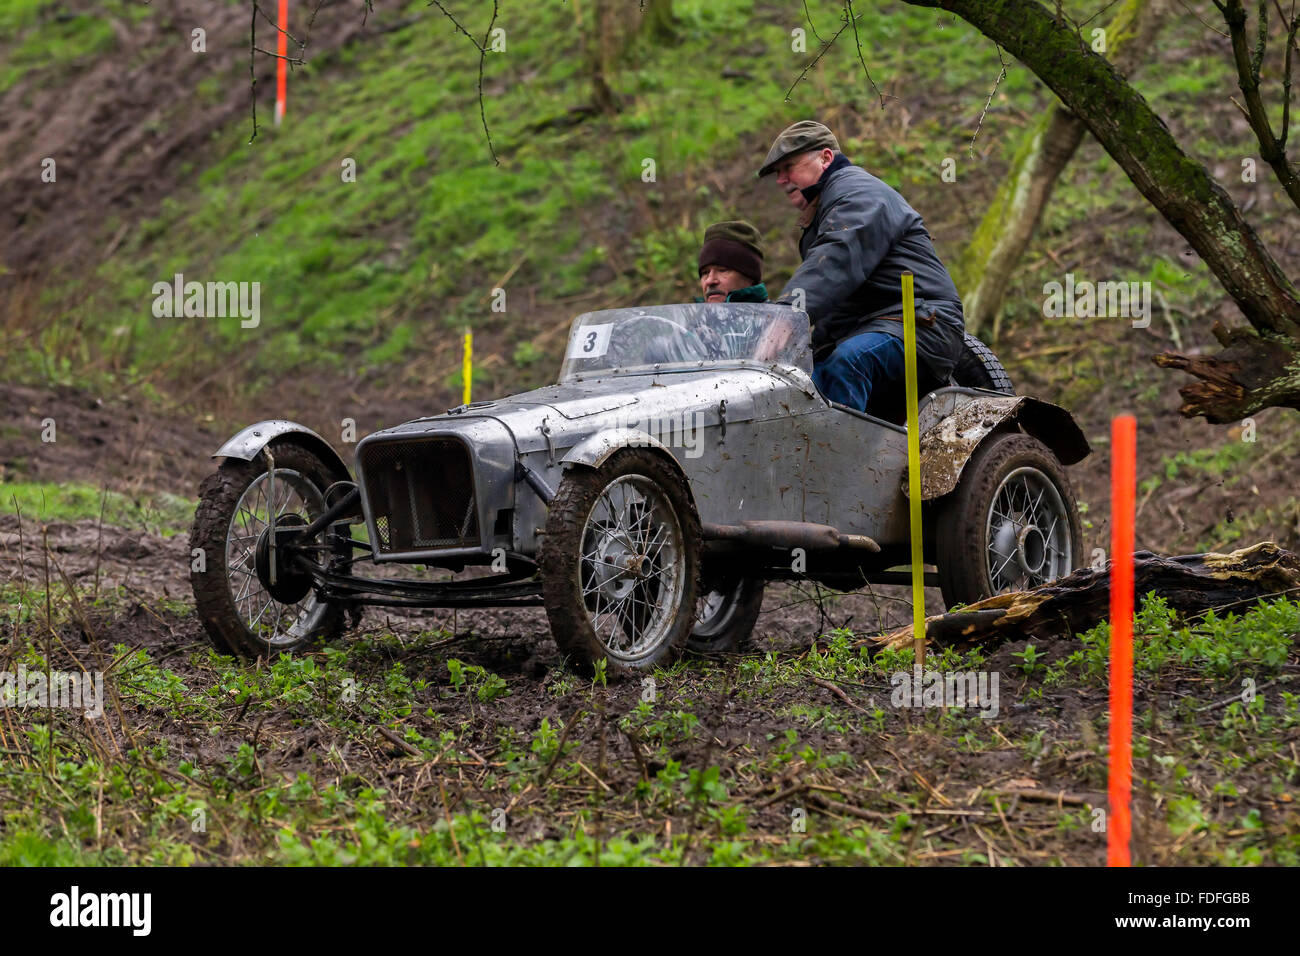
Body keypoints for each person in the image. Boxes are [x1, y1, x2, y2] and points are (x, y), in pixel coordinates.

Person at [758, 120, 966, 418]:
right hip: (873, 324)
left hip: (920, 320)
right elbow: (840, 302)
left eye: (788, 166)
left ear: (826, 158)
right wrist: (801, 352)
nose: (781, 180)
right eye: (777, 173)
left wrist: (787, 317)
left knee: (847, 363)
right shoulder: (824, 208)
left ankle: (833, 462)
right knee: (800, 381)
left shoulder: (857, 194)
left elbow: (836, 261)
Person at [695, 220, 769, 304]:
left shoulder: (775, 316)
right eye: (705, 272)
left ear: (750, 277)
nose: (709, 280)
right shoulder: (691, 316)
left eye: (722, 270)